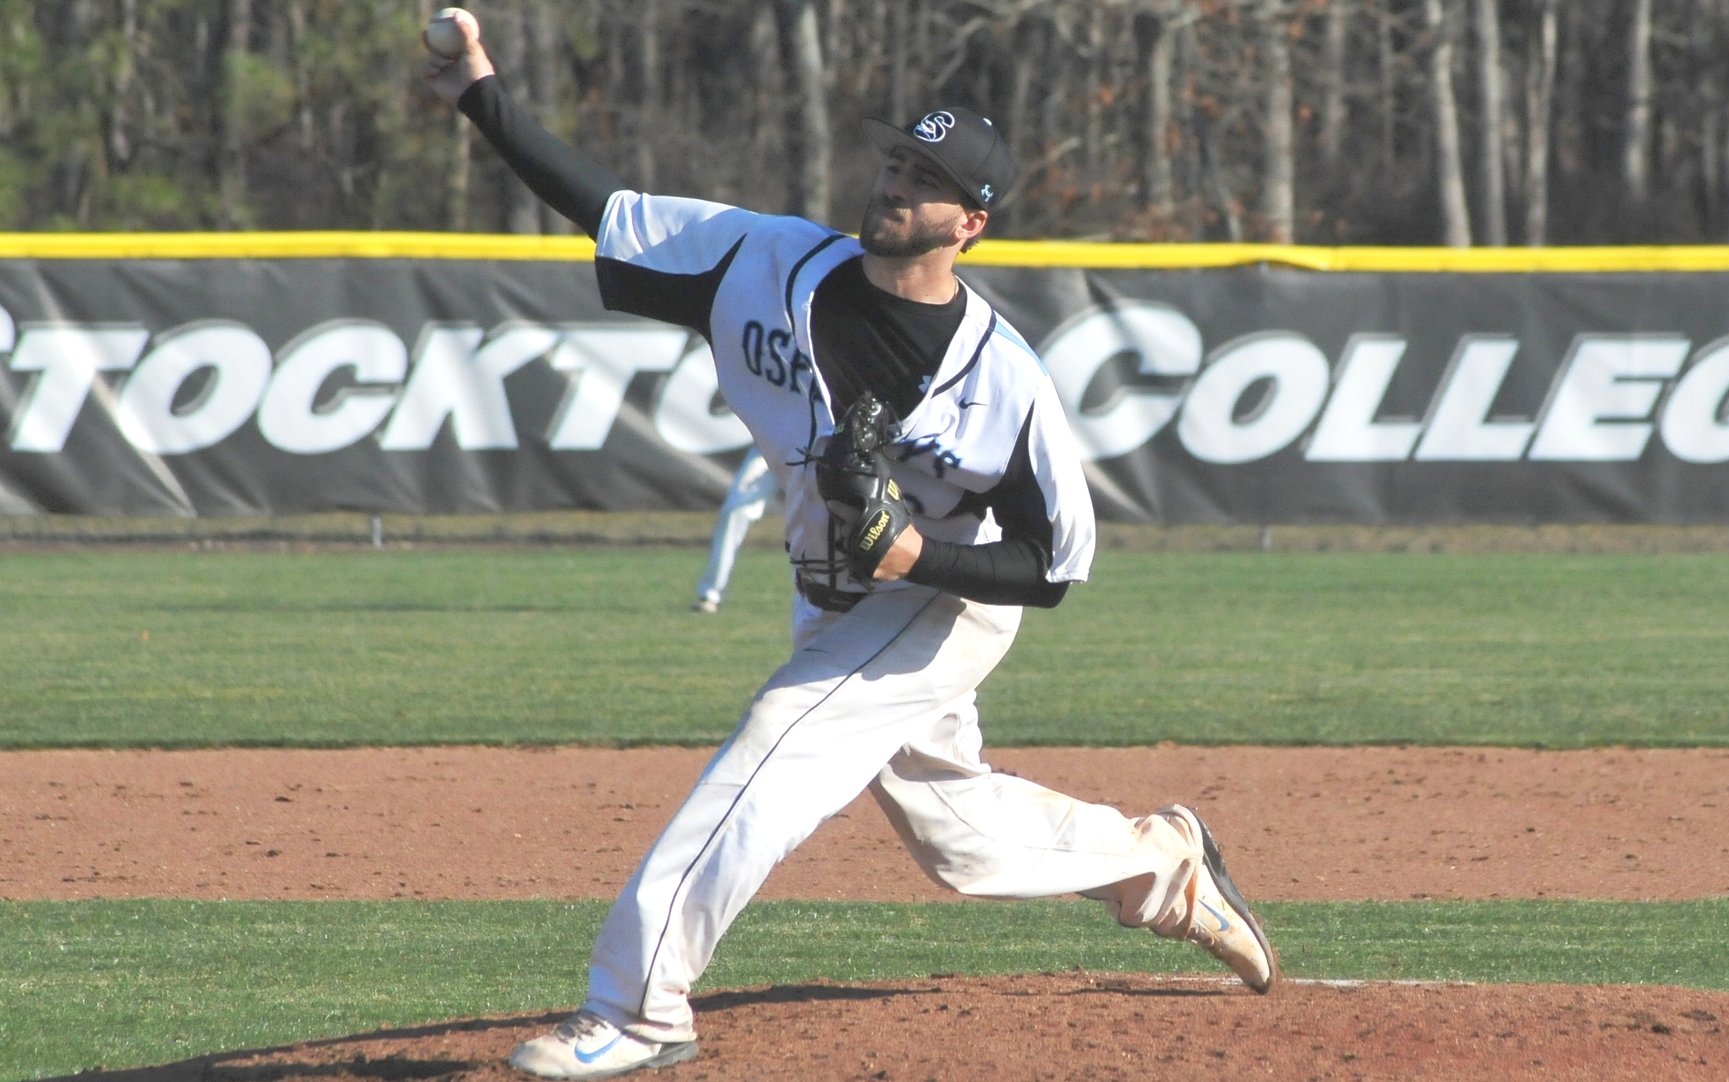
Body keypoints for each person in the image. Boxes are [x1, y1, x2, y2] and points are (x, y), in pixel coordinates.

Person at [423, 16, 1277, 1079]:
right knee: (958, 835)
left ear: (971, 222)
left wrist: (920, 559)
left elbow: (1056, 565)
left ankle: (640, 1007)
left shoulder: (1003, 381)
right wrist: (480, 96)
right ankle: (1165, 864)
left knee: (776, 745)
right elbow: (608, 209)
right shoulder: (763, 261)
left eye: (925, 179)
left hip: (942, 600)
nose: (894, 184)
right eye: (893, 161)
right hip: (835, 592)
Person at [690, 448, 776, 613]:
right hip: (770, 441)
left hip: (819, 438)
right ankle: (711, 594)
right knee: (734, 512)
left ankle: (833, 597)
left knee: (824, 512)